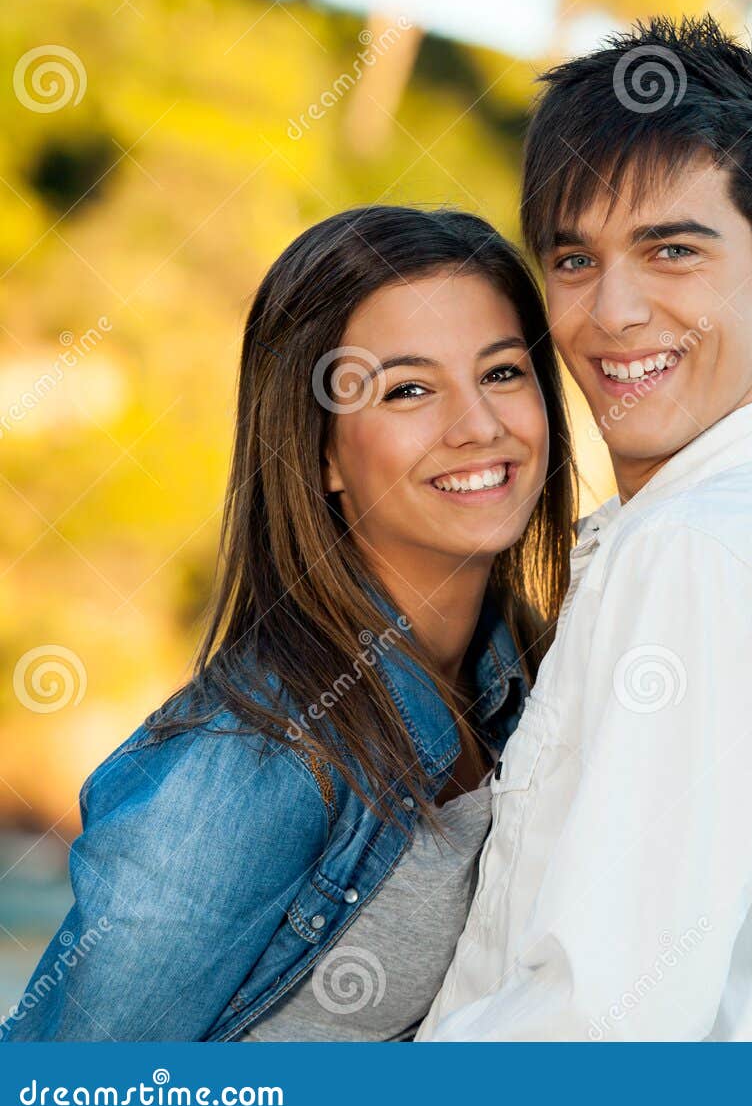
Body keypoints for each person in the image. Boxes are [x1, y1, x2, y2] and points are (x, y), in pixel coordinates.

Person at [420, 15, 752, 1041]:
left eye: (670, 249)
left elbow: (594, 1027)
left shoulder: (705, 551)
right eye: (574, 258)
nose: (612, 312)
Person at [0, 205, 576, 1041]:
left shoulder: (527, 683)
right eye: (409, 388)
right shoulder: (257, 755)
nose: (479, 425)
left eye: (501, 373)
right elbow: (65, 1088)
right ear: (320, 454)